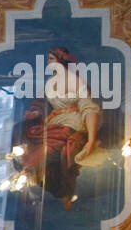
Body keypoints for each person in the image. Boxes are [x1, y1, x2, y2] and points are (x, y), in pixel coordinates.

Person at [14, 47, 105, 210]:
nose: (48, 62)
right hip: (53, 121)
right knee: (22, 132)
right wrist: (36, 110)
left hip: (71, 123)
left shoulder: (77, 82)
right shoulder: (50, 83)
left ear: (61, 62)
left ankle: (61, 190)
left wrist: (91, 140)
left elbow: (88, 107)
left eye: (51, 59)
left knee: (47, 151)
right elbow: (42, 102)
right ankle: (30, 178)